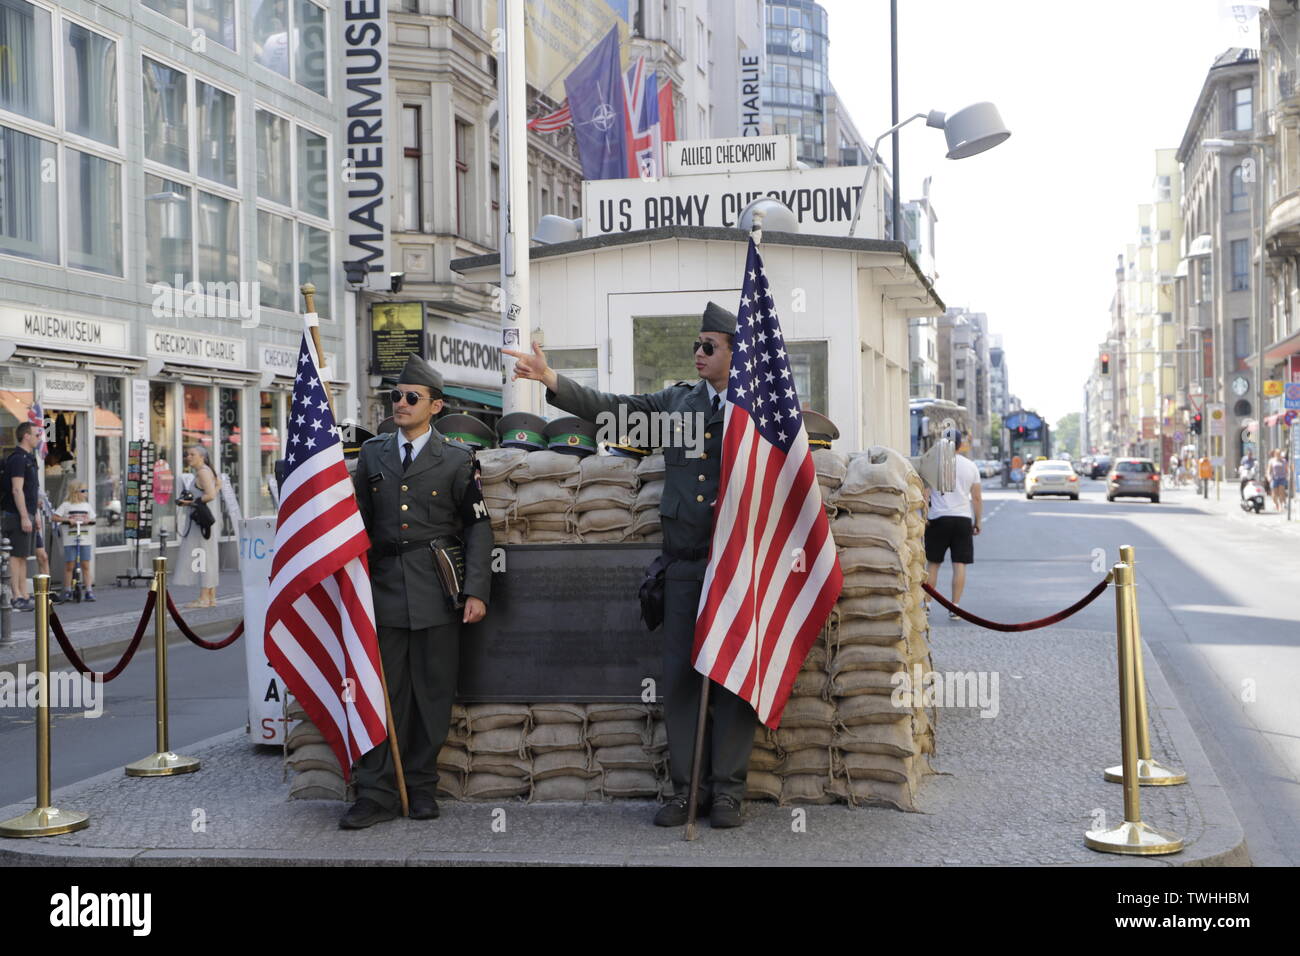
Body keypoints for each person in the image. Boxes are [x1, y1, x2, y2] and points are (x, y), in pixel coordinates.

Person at [505, 301, 754, 830]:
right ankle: (688, 790)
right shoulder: (678, 405)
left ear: (738, 352)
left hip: (737, 567)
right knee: (681, 681)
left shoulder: (759, 407)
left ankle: (729, 791)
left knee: (732, 679)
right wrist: (551, 378)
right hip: (686, 565)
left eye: (710, 346)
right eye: (697, 344)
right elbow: (613, 409)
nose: (698, 353)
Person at [341, 353, 493, 830]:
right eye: (396, 397)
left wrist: (476, 590)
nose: (400, 404)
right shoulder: (372, 454)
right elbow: (358, 522)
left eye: (411, 397)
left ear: (436, 407)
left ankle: (421, 786)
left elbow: (478, 528)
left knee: (431, 693)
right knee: (384, 692)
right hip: (383, 589)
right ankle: (375, 791)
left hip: (436, 588)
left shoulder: (457, 458)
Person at [924, 429, 983, 620]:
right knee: (959, 565)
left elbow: (924, 494)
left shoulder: (933, 465)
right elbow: (976, 497)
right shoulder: (970, 466)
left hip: (938, 519)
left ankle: (927, 605)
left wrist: (924, 517)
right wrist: (978, 521)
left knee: (933, 564)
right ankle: (955, 607)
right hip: (962, 519)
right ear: (959, 445)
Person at [171, 444, 221, 608]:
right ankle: (211, 596)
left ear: (202, 456)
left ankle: (203, 597)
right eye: (187, 454)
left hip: (200, 522)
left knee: (201, 556)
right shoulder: (208, 471)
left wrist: (190, 502)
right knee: (207, 556)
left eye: (192, 454)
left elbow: (211, 495)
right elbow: (218, 486)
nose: (188, 457)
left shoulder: (202, 472)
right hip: (206, 521)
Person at [1, 421, 43, 612]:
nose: (39, 437)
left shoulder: (29, 458)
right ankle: (15, 596)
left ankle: (24, 594)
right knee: (15, 557)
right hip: (16, 515)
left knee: (23, 556)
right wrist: (25, 516)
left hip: (26, 513)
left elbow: (30, 490)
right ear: (26, 436)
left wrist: (34, 515)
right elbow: (17, 490)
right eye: (36, 434)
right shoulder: (18, 459)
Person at [54, 480, 96, 602]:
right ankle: (67, 590)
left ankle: (88, 590)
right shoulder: (66, 505)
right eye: (83, 491)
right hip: (70, 539)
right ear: (75, 492)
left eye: (86, 491)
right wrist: (67, 520)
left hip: (85, 540)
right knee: (69, 566)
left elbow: (93, 519)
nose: (86, 493)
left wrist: (89, 521)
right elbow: (54, 517)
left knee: (85, 565)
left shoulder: (87, 506)